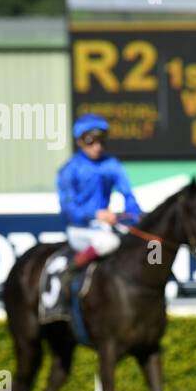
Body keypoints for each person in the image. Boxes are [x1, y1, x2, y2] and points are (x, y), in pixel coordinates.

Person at [47, 114, 142, 315]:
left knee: (149, 243)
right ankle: (68, 272)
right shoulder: (70, 170)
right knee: (109, 243)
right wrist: (96, 214)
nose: (97, 147)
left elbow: (128, 196)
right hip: (80, 229)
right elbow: (68, 210)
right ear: (80, 141)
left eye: (101, 141)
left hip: (105, 226)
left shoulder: (111, 165)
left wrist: (134, 215)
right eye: (91, 142)